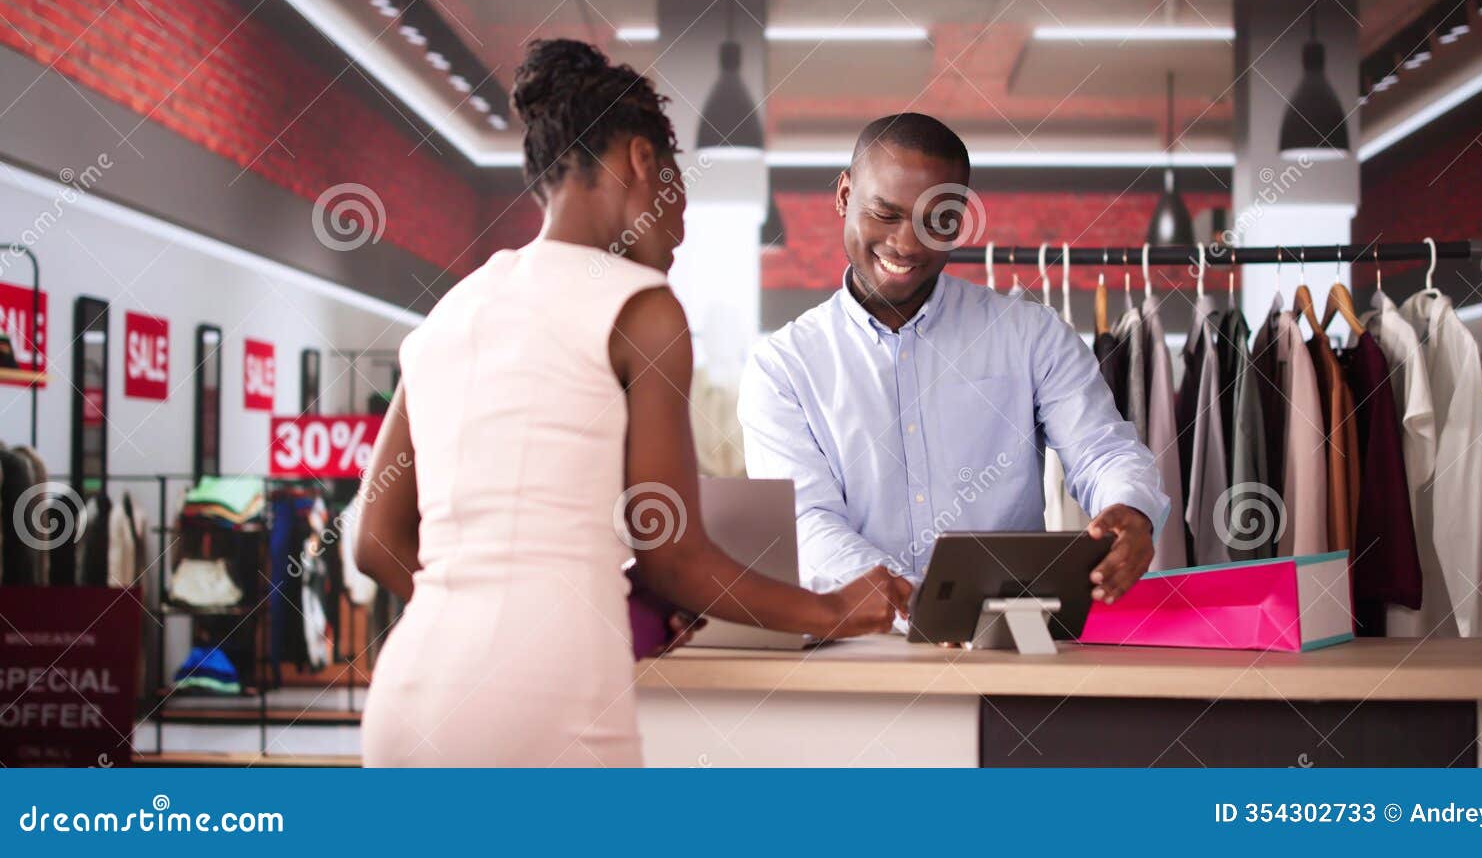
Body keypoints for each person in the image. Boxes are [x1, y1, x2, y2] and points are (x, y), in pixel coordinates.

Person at [354, 40, 911, 768]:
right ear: (644, 162)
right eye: (679, 198)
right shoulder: (640, 306)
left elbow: (375, 541)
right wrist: (836, 609)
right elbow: (672, 559)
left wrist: (511, 612)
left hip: (406, 696)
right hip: (543, 704)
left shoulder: (452, 311)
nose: (677, 236)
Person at [738, 113, 1167, 606]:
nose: (906, 244)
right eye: (885, 214)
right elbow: (807, 521)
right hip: (860, 638)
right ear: (844, 195)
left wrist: (1131, 508)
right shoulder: (783, 367)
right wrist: (922, 603)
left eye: (934, 222)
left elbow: (1101, 450)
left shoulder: (1031, 335)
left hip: (1010, 634)